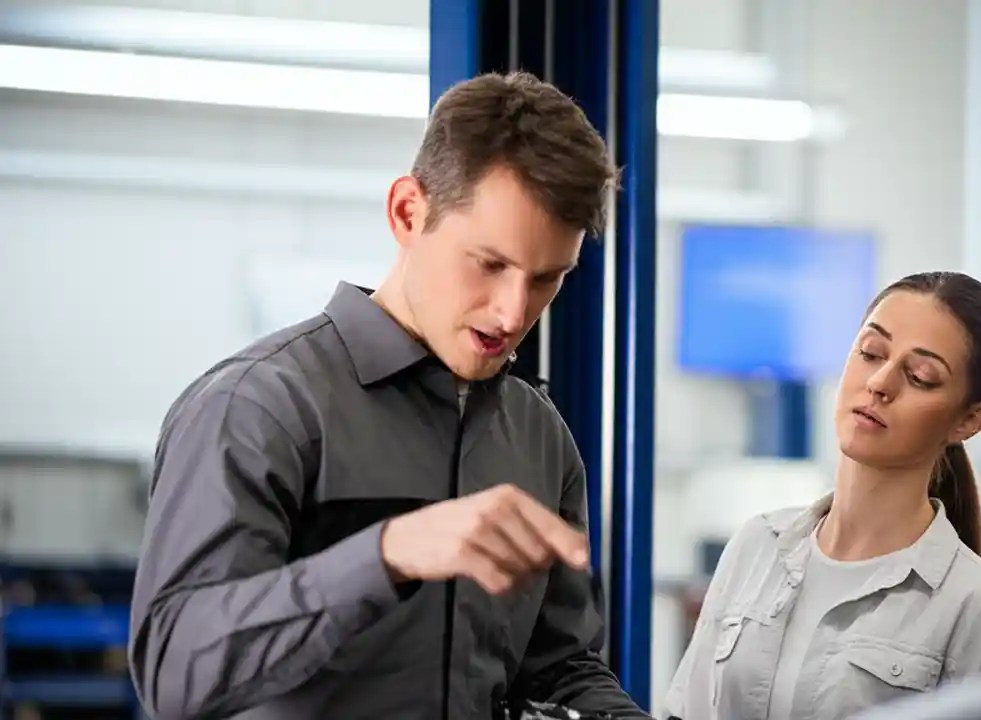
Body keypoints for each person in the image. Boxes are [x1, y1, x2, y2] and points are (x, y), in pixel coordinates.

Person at [128, 72, 648, 720]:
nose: (514, 312)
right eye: (488, 263)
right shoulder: (259, 410)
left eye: (547, 278)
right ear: (408, 212)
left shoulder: (540, 437)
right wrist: (387, 554)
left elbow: (558, 670)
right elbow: (174, 671)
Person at [664, 271, 981, 720]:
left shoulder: (978, 606)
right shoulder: (756, 546)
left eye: (919, 376)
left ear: (970, 420)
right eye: (870, 352)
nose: (879, 382)